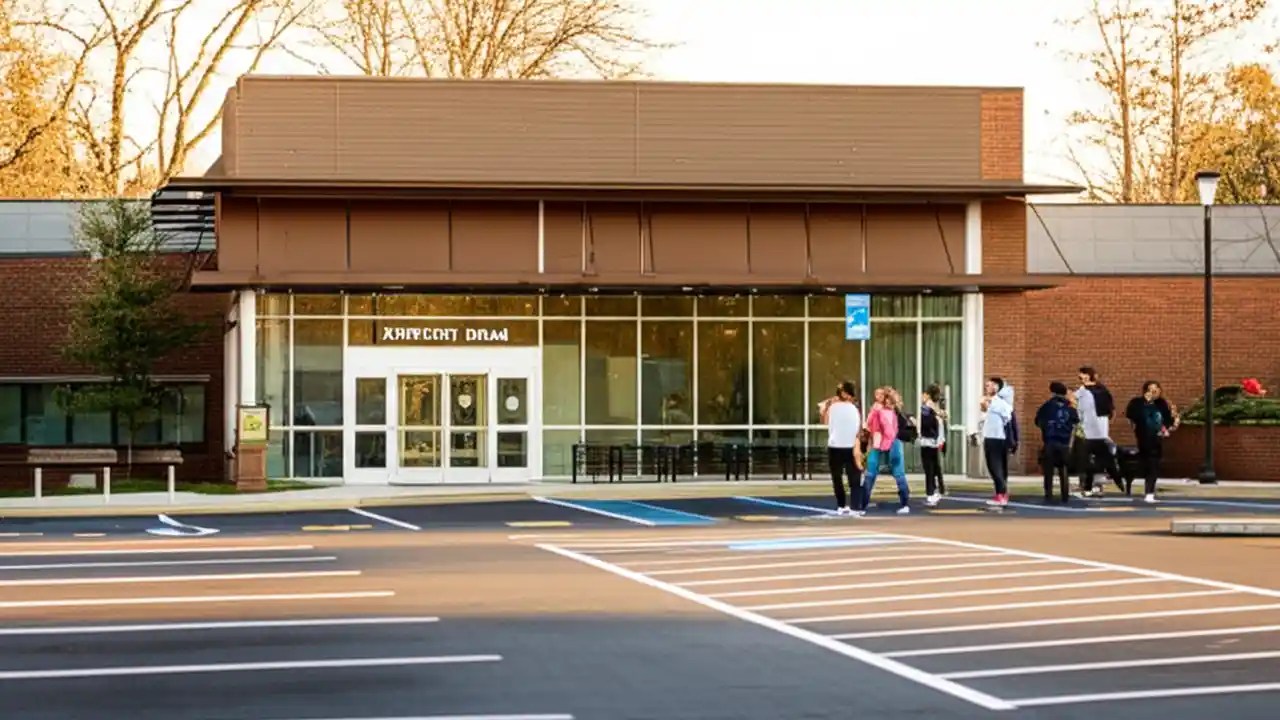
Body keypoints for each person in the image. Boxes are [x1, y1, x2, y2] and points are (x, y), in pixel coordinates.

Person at [1125, 381, 1178, 504]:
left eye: (1156, 390)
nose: (1154, 393)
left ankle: (1149, 492)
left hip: (1157, 440)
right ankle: (1130, 481)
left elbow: (1167, 420)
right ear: (1145, 391)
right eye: (1151, 390)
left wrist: (1170, 424)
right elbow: (1132, 416)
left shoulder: (1162, 404)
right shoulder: (1137, 403)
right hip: (1143, 438)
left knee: (1153, 465)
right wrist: (1147, 403)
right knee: (1144, 464)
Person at [1075, 366, 1123, 497]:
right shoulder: (1081, 391)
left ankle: (1108, 484)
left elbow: (1111, 410)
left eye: (1084, 375)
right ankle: (1087, 486)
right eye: (1080, 376)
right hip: (1085, 431)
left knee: (1103, 460)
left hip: (1099, 431)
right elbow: (1076, 407)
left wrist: (1106, 426)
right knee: (1085, 460)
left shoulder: (1102, 391)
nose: (1082, 378)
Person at [862, 387, 911, 514]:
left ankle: (862, 504)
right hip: (893, 443)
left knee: (871, 473)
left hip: (880, 444)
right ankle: (905, 503)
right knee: (899, 474)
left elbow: (868, 425)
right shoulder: (896, 412)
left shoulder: (878, 411)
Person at [820, 381, 862, 516]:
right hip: (847, 445)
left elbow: (825, 421)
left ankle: (842, 504)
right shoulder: (853, 409)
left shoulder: (833, 407)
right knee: (853, 478)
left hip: (836, 446)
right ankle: (854, 506)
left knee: (837, 478)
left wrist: (826, 406)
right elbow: (857, 429)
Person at [1035, 381, 1079, 504]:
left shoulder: (1047, 406)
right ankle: (1065, 494)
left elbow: (1038, 421)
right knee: (1063, 469)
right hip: (1064, 442)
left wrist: (1046, 428)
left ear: (1052, 392)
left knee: (1048, 469)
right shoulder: (1069, 407)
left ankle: (1048, 493)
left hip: (1050, 440)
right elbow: (1076, 421)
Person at [981, 377, 1015, 506]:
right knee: (994, 467)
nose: (986, 388)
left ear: (996, 387)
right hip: (991, 437)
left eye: (989, 385)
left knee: (996, 467)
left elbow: (1008, 415)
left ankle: (1002, 494)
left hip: (996, 438)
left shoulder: (999, 403)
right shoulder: (990, 403)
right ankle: (1000, 494)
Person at [920, 384, 947, 507]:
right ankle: (938, 489)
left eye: (923, 394)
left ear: (927, 395)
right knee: (935, 467)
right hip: (936, 442)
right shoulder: (938, 409)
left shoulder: (926, 409)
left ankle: (930, 494)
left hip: (928, 441)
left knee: (929, 469)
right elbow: (942, 423)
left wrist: (916, 423)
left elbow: (927, 424)